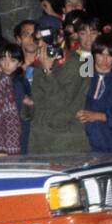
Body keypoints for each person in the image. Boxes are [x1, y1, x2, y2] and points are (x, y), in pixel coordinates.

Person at [28, 21, 92, 155]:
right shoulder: (40, 65)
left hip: (65, 140)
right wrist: (28, 106)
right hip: (40, 139)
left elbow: (62, 101)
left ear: (60, 37)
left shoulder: (81, 62)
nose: (41, 44)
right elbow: (37, 101)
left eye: (46, 39)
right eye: (38, 39)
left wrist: (48, 71)